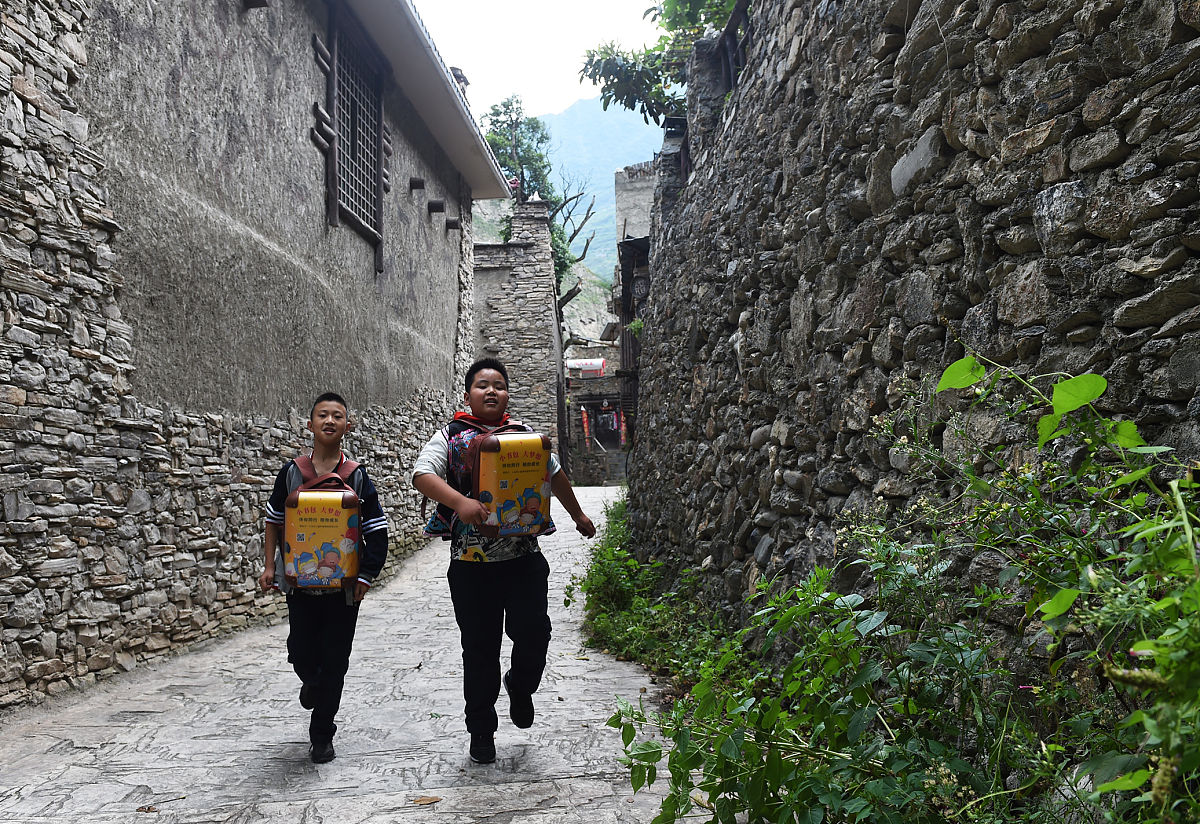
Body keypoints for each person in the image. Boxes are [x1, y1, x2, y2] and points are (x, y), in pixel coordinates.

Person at [412, 357, 595, 764]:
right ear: (467, 395)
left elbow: (555, 475)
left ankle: (521, 683)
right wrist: (459, 502)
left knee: (535, 635)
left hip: (523, 560)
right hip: (471, 568)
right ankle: (481, 731)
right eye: (482, 385)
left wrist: (578, 514)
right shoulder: (451, 437)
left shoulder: (525, 438)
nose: (491, 390)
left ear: (507, 394)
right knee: (479, 650)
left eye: (498, 384)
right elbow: (422, 474)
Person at [258, 392, 388, 764]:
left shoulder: (358, 477)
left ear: (348, 426)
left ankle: (321, 735)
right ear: (310, 423)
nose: (329, 421)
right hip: (300, 588)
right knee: (301, 652)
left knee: (335, 660)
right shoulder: (292, 473)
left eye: (337, 416)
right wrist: (271, 567)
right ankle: (310, 682)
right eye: (322, 415)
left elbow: (376, 530)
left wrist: (365, 575)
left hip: (342, 592)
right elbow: (274, 522)